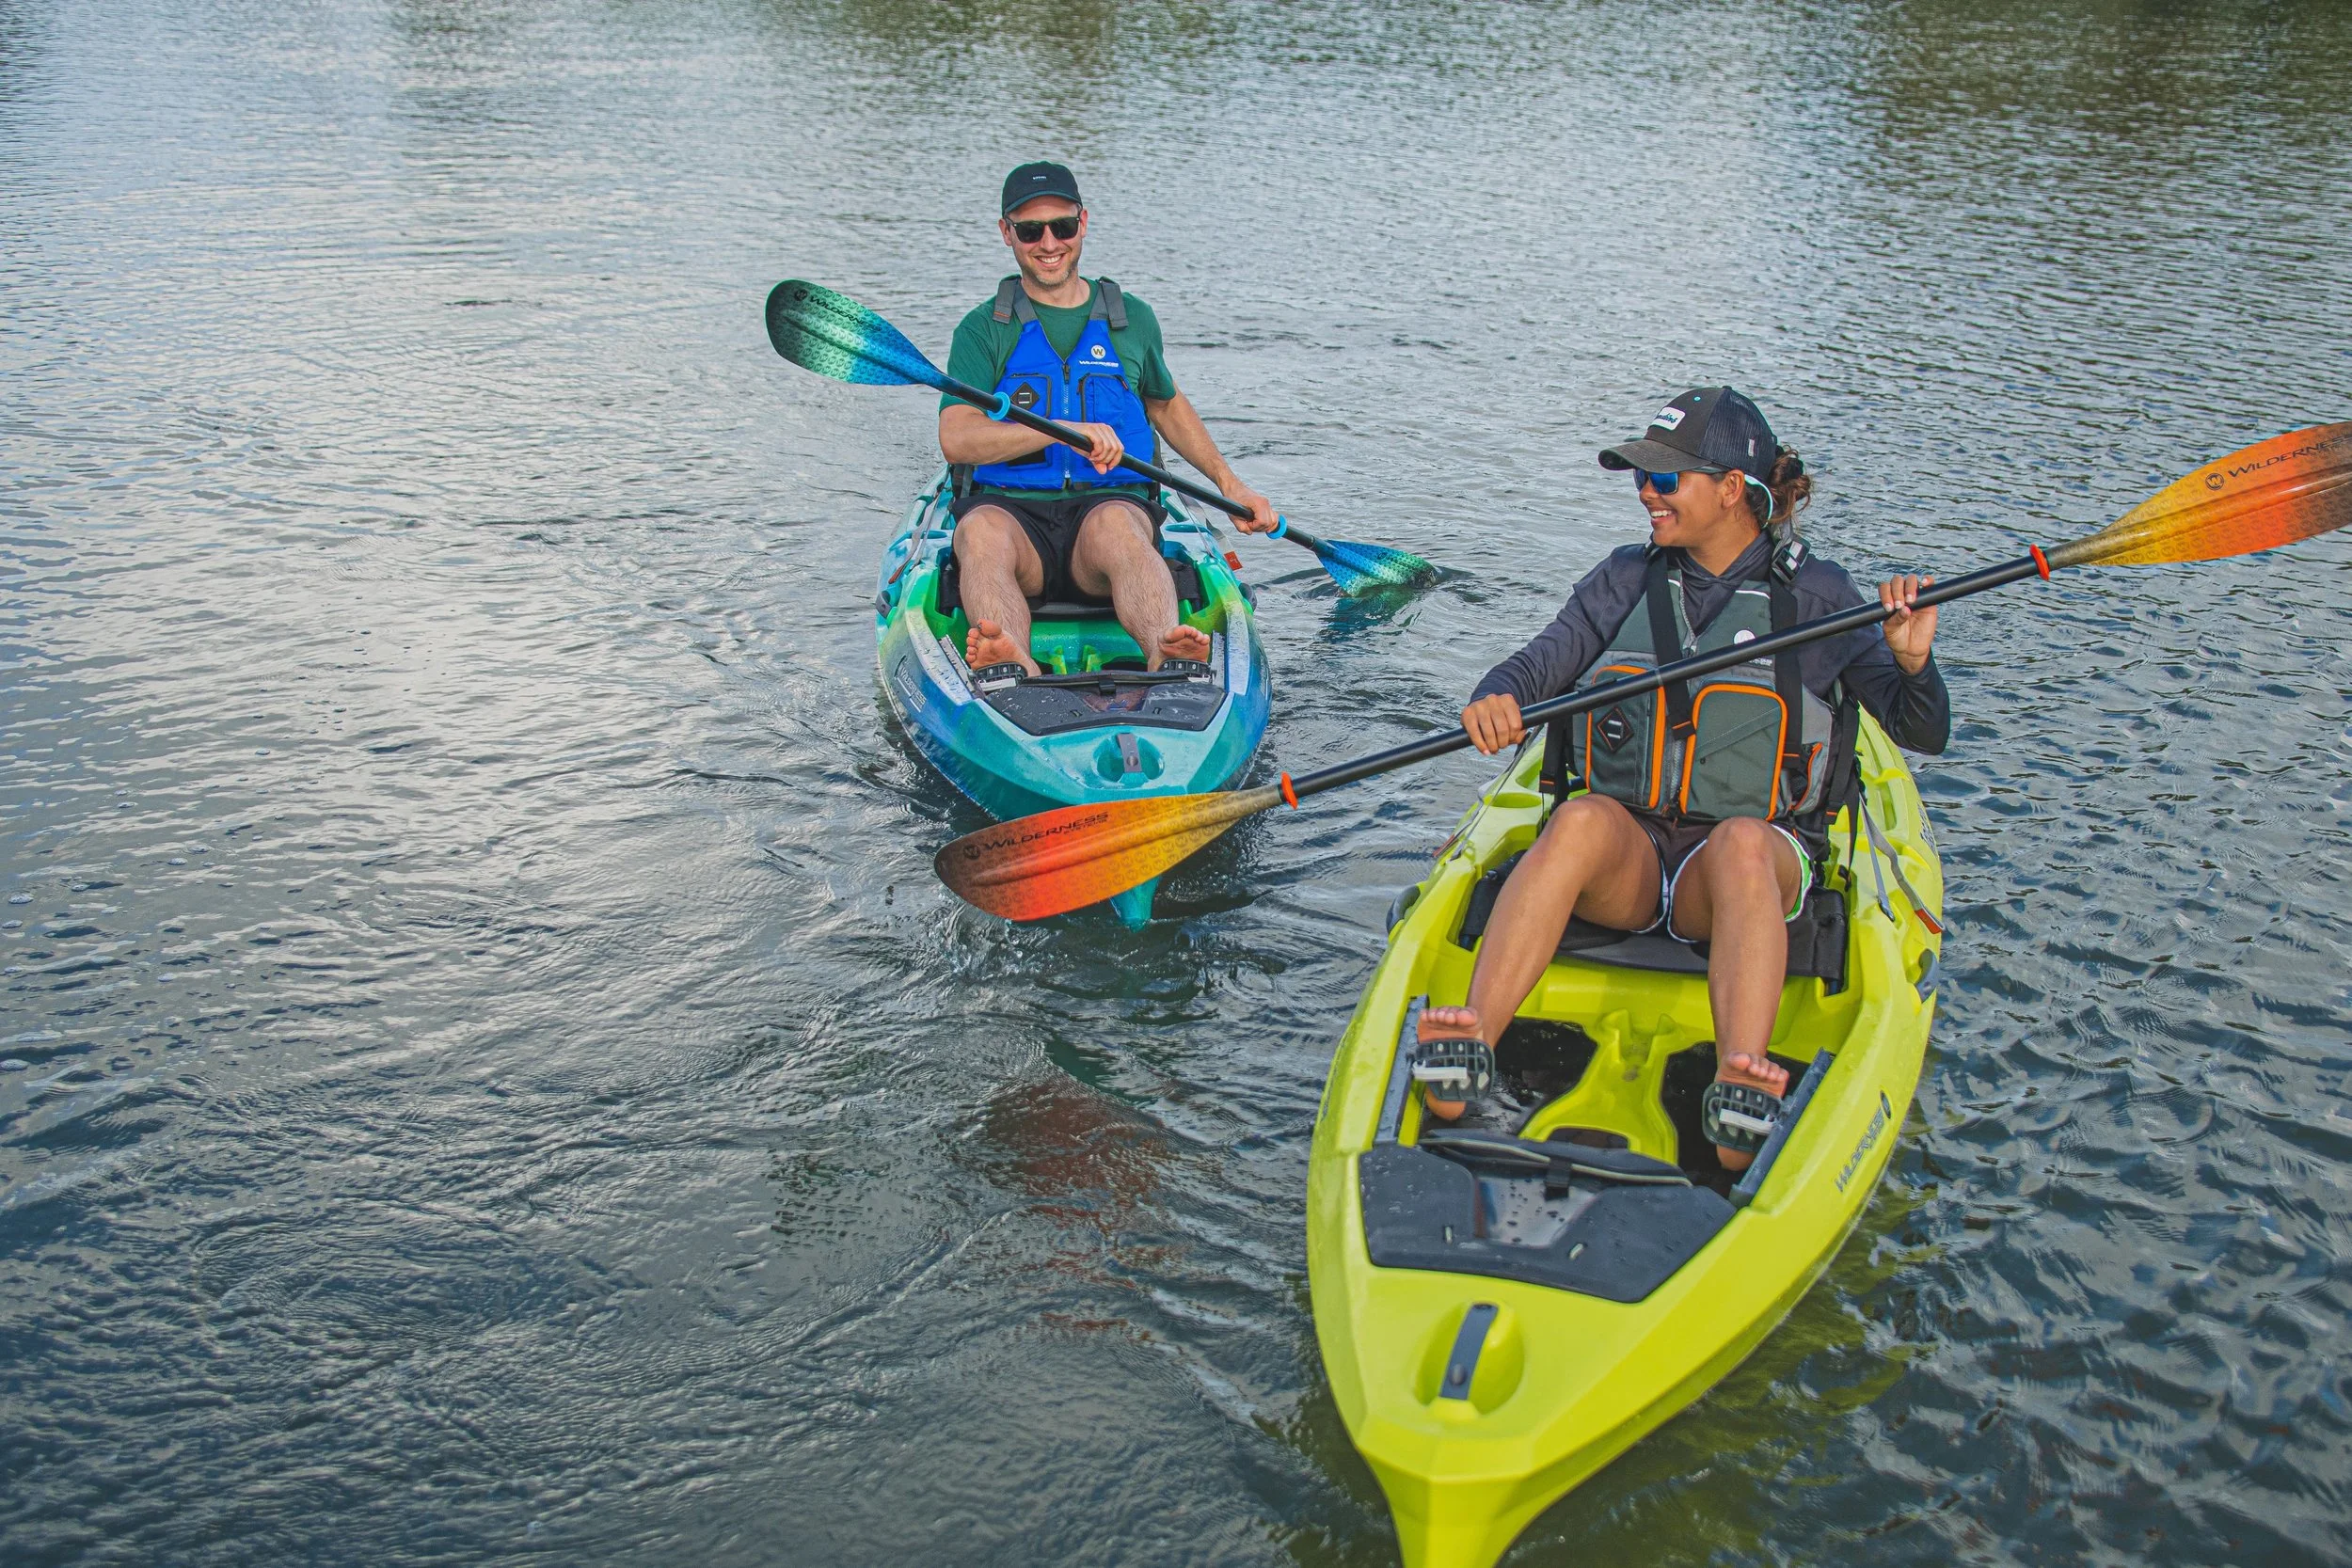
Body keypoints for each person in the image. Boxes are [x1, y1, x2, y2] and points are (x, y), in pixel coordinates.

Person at [1419, 388, 1950, 1169]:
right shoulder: (1625, 577)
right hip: (1633, 861)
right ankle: (1470, 1045)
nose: (1646, 493)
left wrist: (1911, 658)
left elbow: (1920, 729)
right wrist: (1496, 698)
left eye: (1666, 480)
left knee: (1738, 843)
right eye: (1642, 478)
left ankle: (1740, 1080)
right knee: (1577, 820)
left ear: (1732, 490)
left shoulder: (1819, 596)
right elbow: (1542, 663)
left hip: (1750, 868)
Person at [938, 162, 1278, 678]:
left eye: (1062, 226)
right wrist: (1052, 431)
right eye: (1030, 230)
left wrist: (1233, 486)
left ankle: (1168, 653)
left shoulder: (1132, 319)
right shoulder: (983, 330)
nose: (1048, 242)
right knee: (980, 532)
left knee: (1122, 528)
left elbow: (1165, 404)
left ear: (1083, 223)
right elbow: (956, 438)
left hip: (1105, 513)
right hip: (1012, 518)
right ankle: (1012, 664)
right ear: (1006, 233)